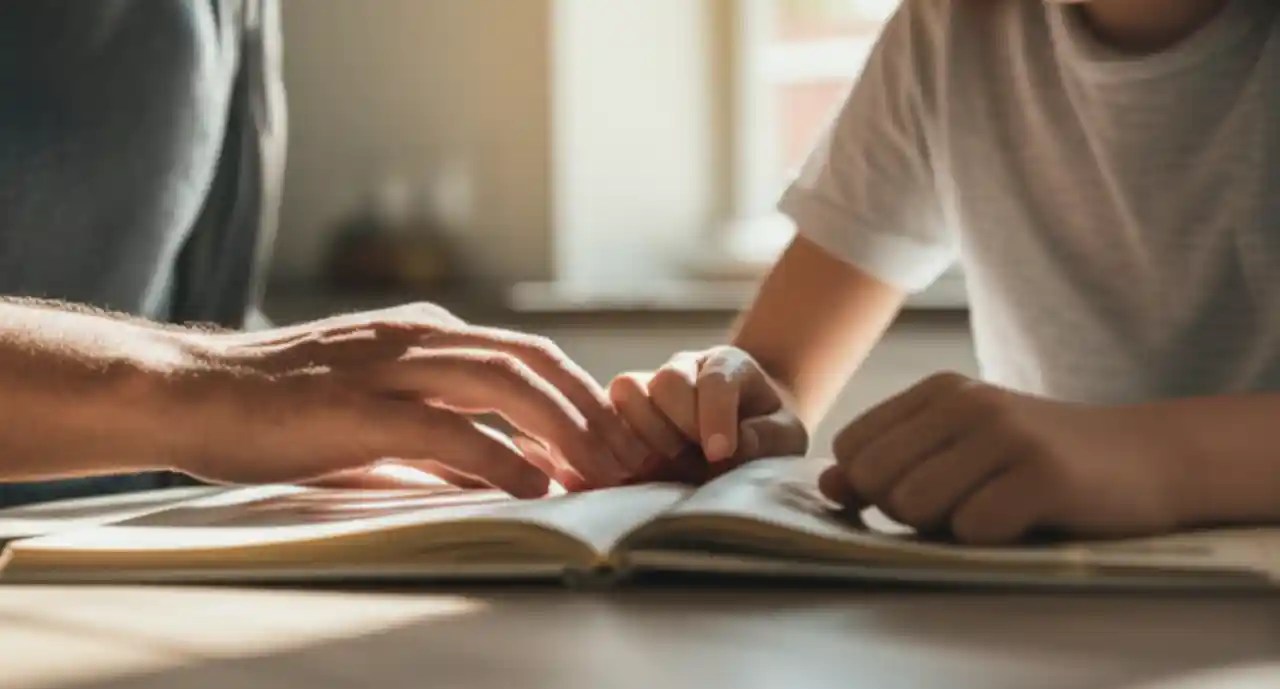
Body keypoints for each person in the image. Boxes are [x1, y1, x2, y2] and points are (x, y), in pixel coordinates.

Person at [611, 0, 1280, 545]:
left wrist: (1143, 460)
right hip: (1044, 602)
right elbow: (778, 372)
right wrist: (725, 411)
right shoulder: (953, 27)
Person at [0, 1, 649, 507]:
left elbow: (183, 313)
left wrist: (342, 433)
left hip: (110, 567)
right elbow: (199, 376)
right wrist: (196, 387)